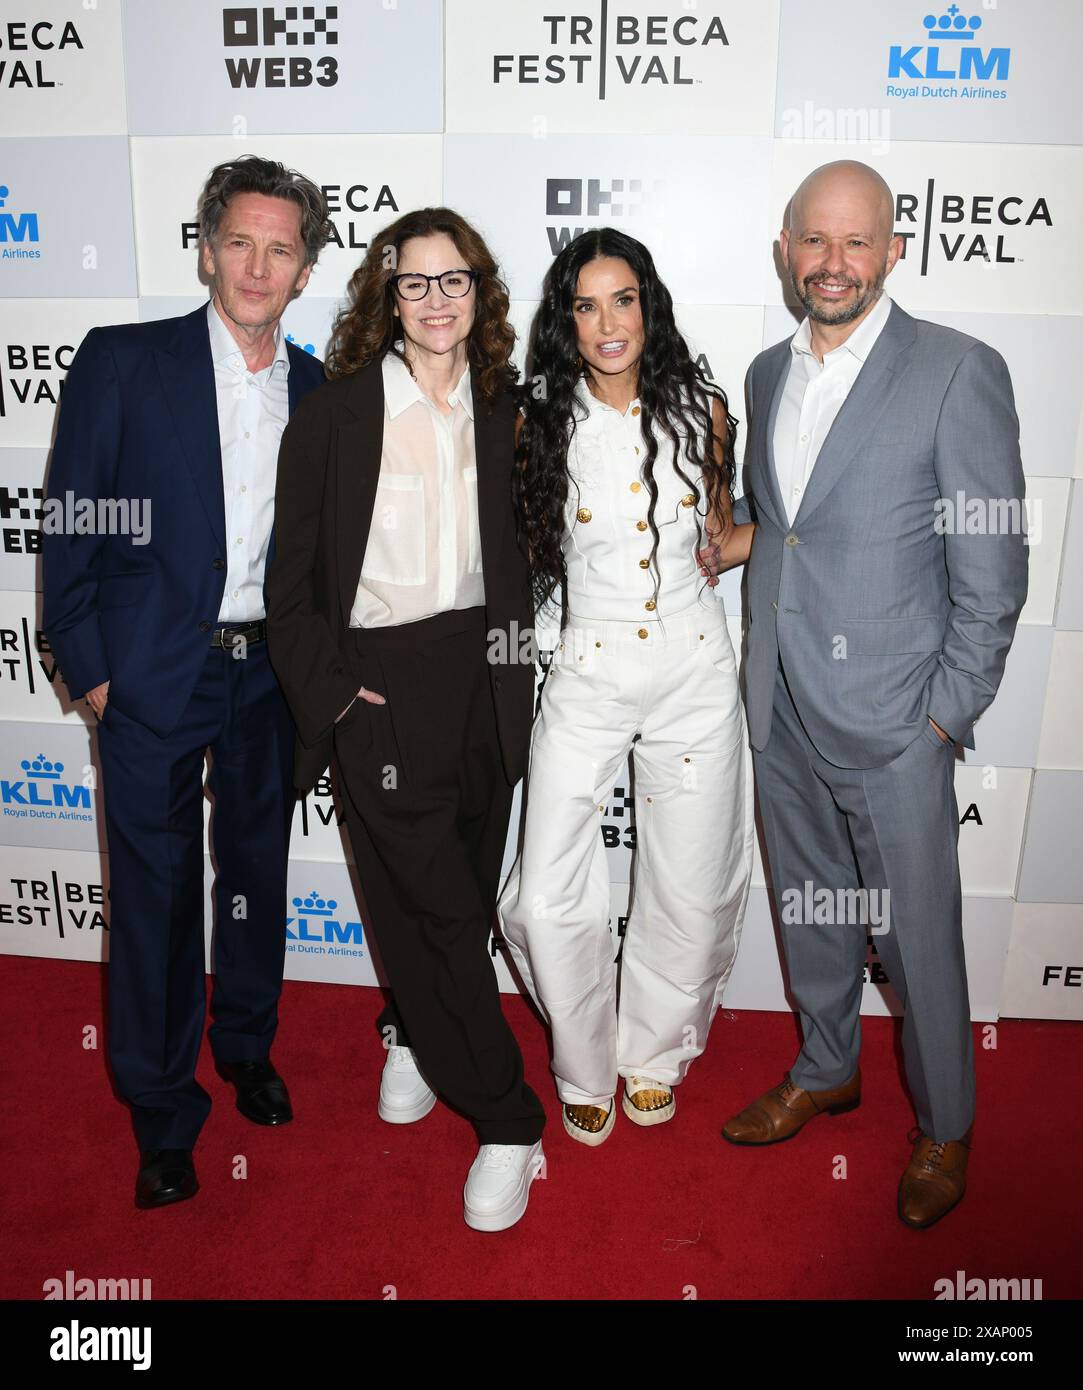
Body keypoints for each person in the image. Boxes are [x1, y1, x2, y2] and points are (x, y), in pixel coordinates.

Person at [722, 160, 1028, 1228]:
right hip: (781, 702)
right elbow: (792, 526)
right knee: (812, 907)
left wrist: (944, 716)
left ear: (896, 249)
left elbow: (992, 572)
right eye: (815, 241)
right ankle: (825, 1064)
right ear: (786, 250)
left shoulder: (957, 370)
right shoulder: (764, 374)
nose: (834, 263)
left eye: (858, 242)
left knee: (918, 935)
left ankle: (945, 1125)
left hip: (899, 718)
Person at [41, 155, 330, 1208]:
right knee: (155, 894)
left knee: (255, 872)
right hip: (153, 675)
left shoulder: (320, 393)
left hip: (267, 677)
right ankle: (163, 1109)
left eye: (282, 247)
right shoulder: (126, 363)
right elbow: (71, 521)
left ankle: (246, 1045)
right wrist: (91, 671)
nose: (259, 266)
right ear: (207, 249)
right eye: (241, 242)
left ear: (305, 270)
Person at [266, 207, 546, 1232]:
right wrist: (337, 696)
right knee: (429, 909)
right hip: (379, 686)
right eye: (414, 282)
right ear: (387, 295)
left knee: (463, 898)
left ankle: (411, 1028)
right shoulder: (334, 416)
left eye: (454, 279)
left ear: (482, 290)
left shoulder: (511, 409)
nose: (435, 300)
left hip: (487, 677)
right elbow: (290, 588)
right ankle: (511, 1121)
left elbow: (539, 552)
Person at [498, 229, 755, 1146]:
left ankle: (652, 1053)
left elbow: (720, 539)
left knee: (688, 877)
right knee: (539, 891)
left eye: (624, 300)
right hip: (588, 663)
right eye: (586, 305)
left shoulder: (705, 410)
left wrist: (796, 538)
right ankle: (582, 1055)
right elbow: (526, 557)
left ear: (650, 306)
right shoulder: (538, 419)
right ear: (565, 320)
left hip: (692, 660)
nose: (608, 323)